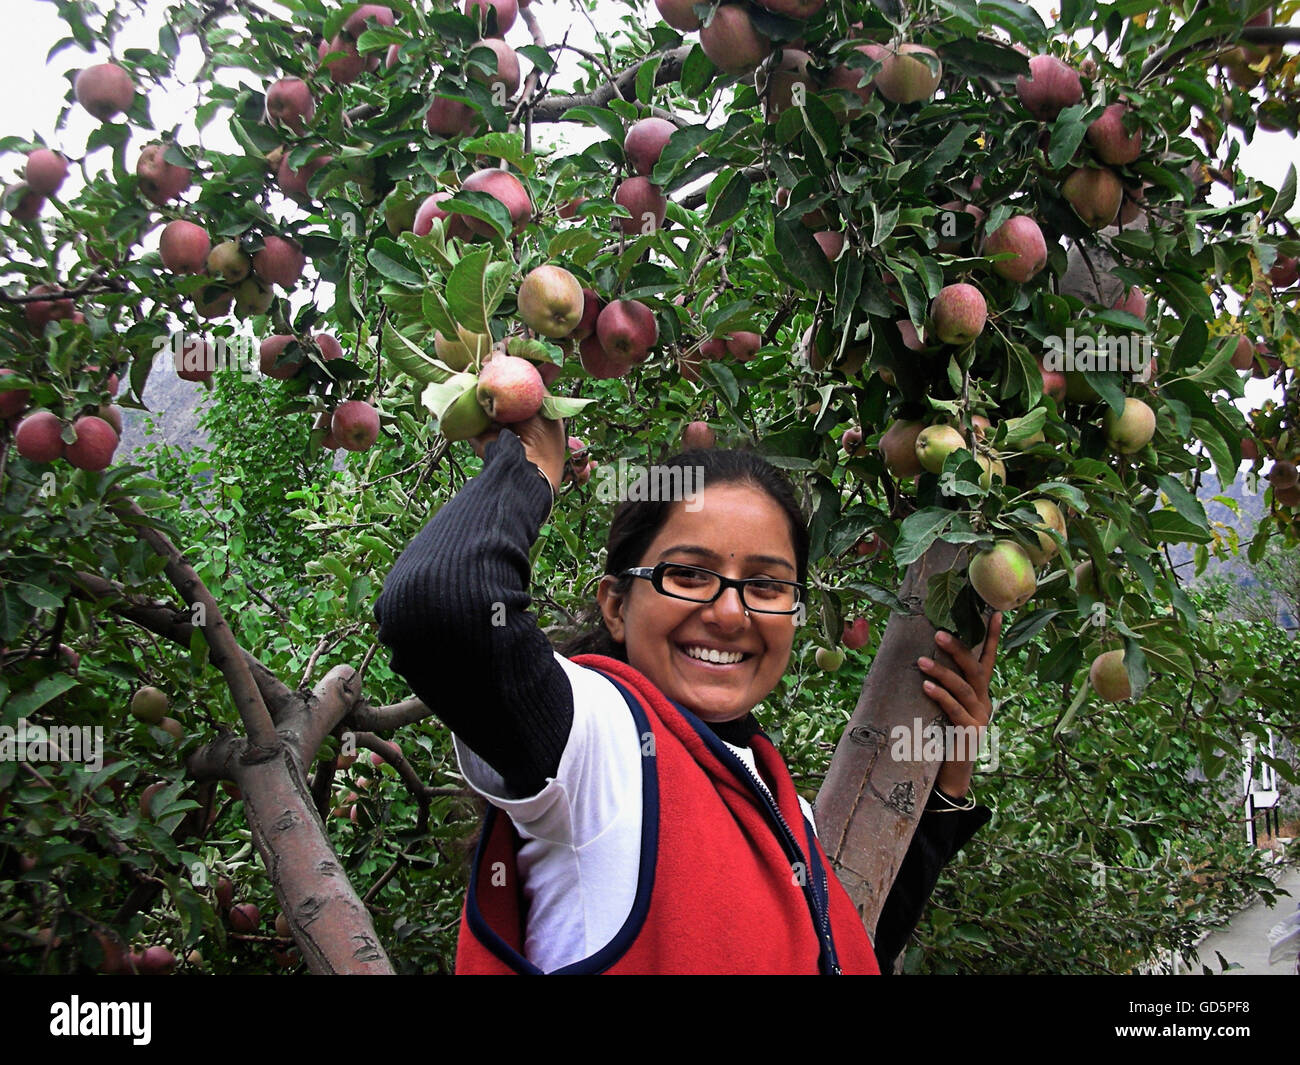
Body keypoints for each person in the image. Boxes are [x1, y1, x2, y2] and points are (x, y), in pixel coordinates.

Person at [373, 414, 998, 974]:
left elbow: (846, 950)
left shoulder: (784, 810)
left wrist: (946, 790)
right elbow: (440, 608)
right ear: (616, 606)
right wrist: (531, 467)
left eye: (767, 584)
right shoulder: (598, 740)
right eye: (689, 575)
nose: (730, 613)